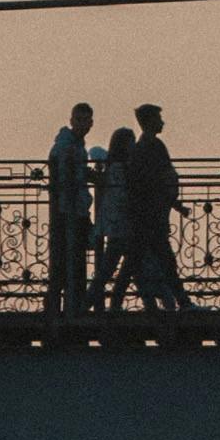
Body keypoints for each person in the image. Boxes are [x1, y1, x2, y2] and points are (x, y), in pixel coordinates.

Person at [126, 102, 191, 314]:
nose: (162, 122)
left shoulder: (142, 146)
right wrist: (173, 200)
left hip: (146, 213)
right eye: (158, 118)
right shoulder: (153, 146)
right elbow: (161, 178)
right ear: (149, 121)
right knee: (162, 260)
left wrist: (174, 203)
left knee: (138, 261)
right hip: (152, 214)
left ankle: (166, 301)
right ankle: (182, 302)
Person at [44, 103, 97, 319]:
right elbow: (64, 175)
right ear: (72, 120)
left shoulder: (72, 144)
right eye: (80, 119)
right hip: (68, 211)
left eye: (86, 120)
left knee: (68, 259)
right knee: (67, 259)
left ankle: (67, 306)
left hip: (72, 209)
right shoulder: (67, 146)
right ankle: (69, 307)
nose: (83, 124)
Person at [96, 125, 139, 308]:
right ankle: (98, 302)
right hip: (121, 225)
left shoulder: (114, 168)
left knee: (122, 267)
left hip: (119, 225)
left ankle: (111, 303)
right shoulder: (120, 169)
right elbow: (121, 197)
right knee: (113, 268)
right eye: (131, 143)